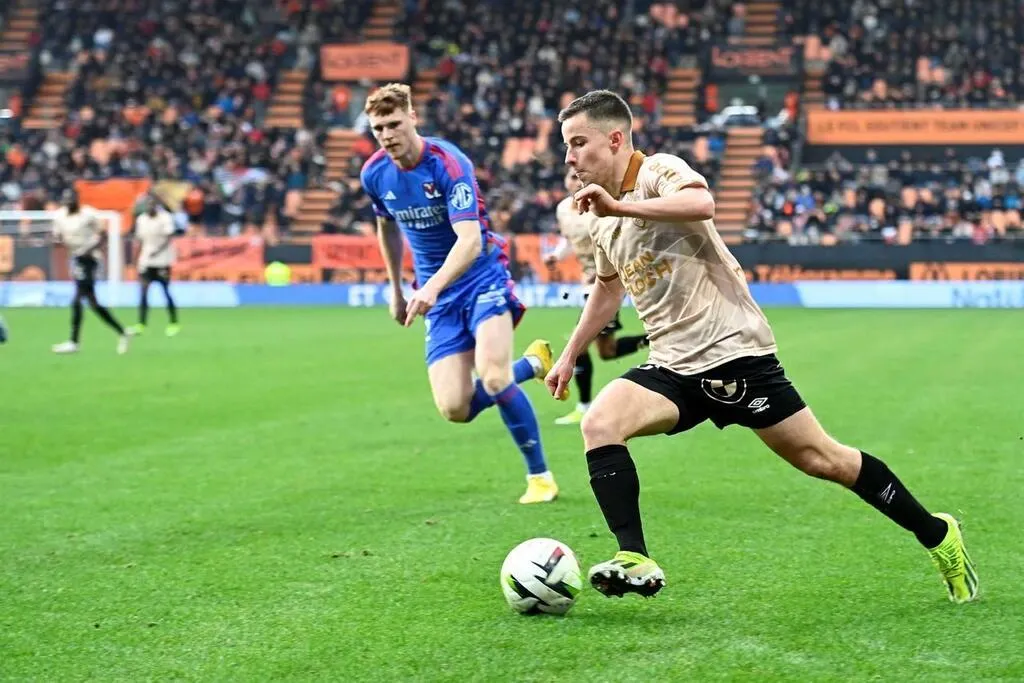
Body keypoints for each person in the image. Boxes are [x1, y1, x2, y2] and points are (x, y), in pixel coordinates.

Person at [545, 90, 977, 602]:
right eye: (566, 146)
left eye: (578, 143)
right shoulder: (595, 214)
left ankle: (937, 535)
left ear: (615, 139)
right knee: (600, 423)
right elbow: (609, 286)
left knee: (824, 460)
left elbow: (702, 202)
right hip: (670, 366)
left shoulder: (657, 170)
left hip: (734, 354)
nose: (569, 157)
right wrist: (572, 352)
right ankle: (634, 556)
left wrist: (620, 205)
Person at [359, 83, 558, 504]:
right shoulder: (374, 174)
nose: (388, 134)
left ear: (413, 118)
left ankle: (540, 476)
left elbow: (468, 240)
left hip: (480, 276)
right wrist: (396, 289)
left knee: (493, 374)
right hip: (439, 297)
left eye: (394, 123)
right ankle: (532, 364)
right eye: (379, 128)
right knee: (455, 408)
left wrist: (428, 287)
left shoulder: (449, 163)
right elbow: (387, 227)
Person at [545, 169, 649, 426]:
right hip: (587, 283)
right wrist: (556, 257)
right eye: (570, 177)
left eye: (579, 177)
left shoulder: (599, 206)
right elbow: (569, 240)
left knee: (576, 344)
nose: (576, 180)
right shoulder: (562, 210)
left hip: (607, 284)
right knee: (607, 351)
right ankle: (654, 337)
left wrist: (608, 272)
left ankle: (583, 406)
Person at [51, 190, 131, 355]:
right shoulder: (59, 217)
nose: (69, 204)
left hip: (90, 259)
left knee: (77, 299)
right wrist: (57, 241)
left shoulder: (88, 214)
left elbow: (103, 235)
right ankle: (122, 332)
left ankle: (74, 342)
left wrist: (90, 248)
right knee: (93, 303)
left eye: (71, 201)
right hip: (75, 259)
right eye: (66, 201)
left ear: (77, 201)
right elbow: (57, 238)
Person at [129, 195, 180, 337]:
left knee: (165, 291)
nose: (150, 207)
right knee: (143, 292)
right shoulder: (141, 220)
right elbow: (139, 240)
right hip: (146, 260)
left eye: (152, 204)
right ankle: (141, 323)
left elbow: (169, 237)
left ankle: (173, 322)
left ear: (156, 205)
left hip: (162, 260)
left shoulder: (165, 218)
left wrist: (157, 251)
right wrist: (135, 259)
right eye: (148, 205)